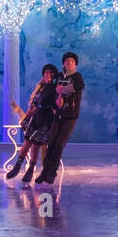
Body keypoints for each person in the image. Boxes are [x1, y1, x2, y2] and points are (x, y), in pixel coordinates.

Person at [4, 64, 59, 183]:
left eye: (51, 73)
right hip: (36, 117)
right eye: (46, 73)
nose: (48, 75)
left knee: (35, 146)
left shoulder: (55, 88)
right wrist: (27, 116)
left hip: (46, 119)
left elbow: (56, 105)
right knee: (26, 143)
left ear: (54, 75)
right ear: (43, 74)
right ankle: (17, 167)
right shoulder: (40, 87)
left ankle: (30, 170)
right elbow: (34, 105)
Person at [37, 52, 83, 184]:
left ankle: (52, 173)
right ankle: (44, 172)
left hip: (70, 116)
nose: (69, 63)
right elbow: (48, 82)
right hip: (57, 114)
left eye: (72, 61)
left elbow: (79, 86)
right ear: (63, 63)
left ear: (75, 63)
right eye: (67, 61)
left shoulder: (77, 77)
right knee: (50, 143)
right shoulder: (59, 76)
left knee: (59, 144)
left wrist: (62, 90)